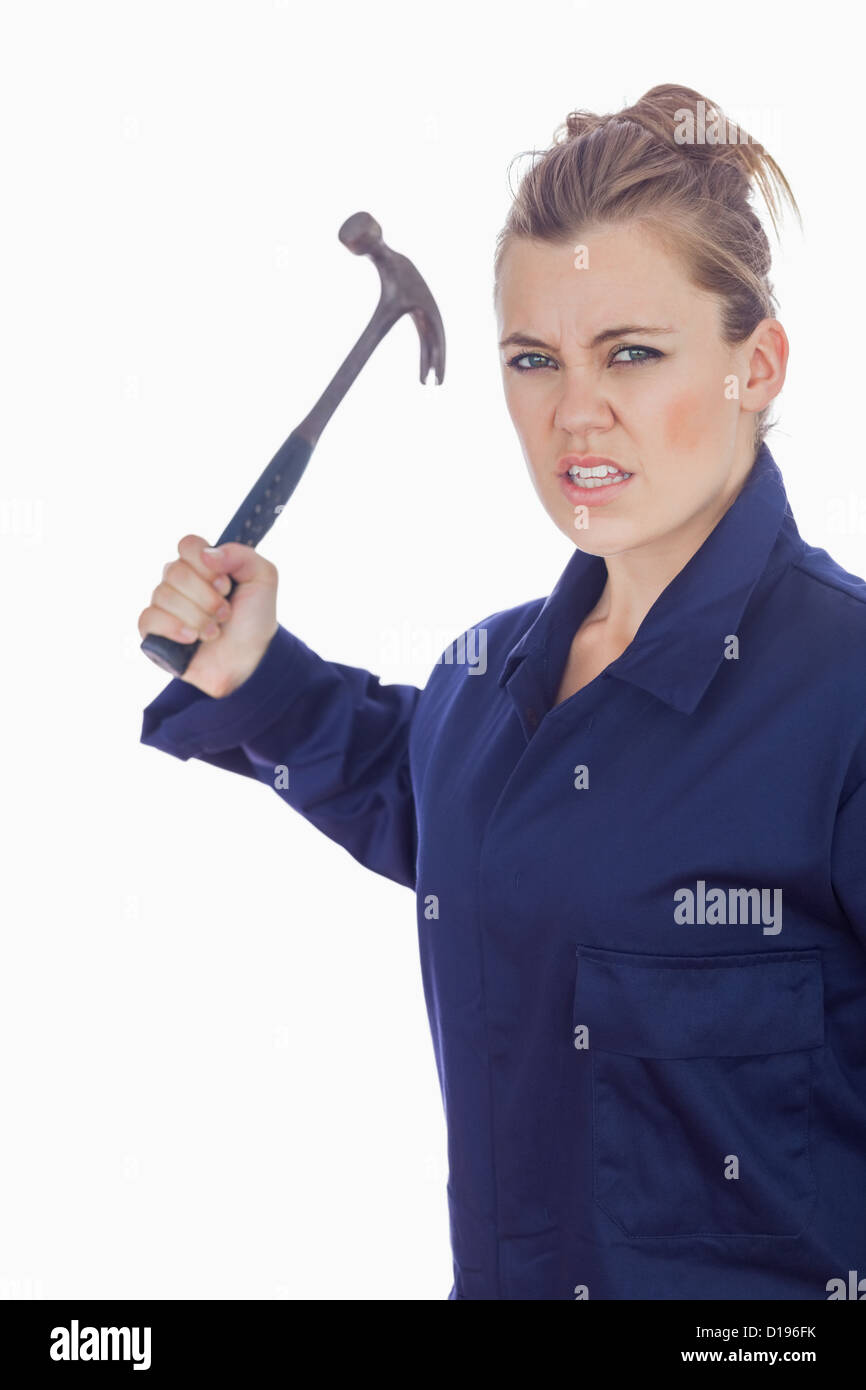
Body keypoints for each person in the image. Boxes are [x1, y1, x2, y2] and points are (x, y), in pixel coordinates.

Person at [138, 84, 866, 1300]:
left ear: (756, 364)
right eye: (533, 358)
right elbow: (432, 799)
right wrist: (251, 675)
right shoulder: (493, 679)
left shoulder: (840, 699)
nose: (574, 411)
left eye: (630, 351)